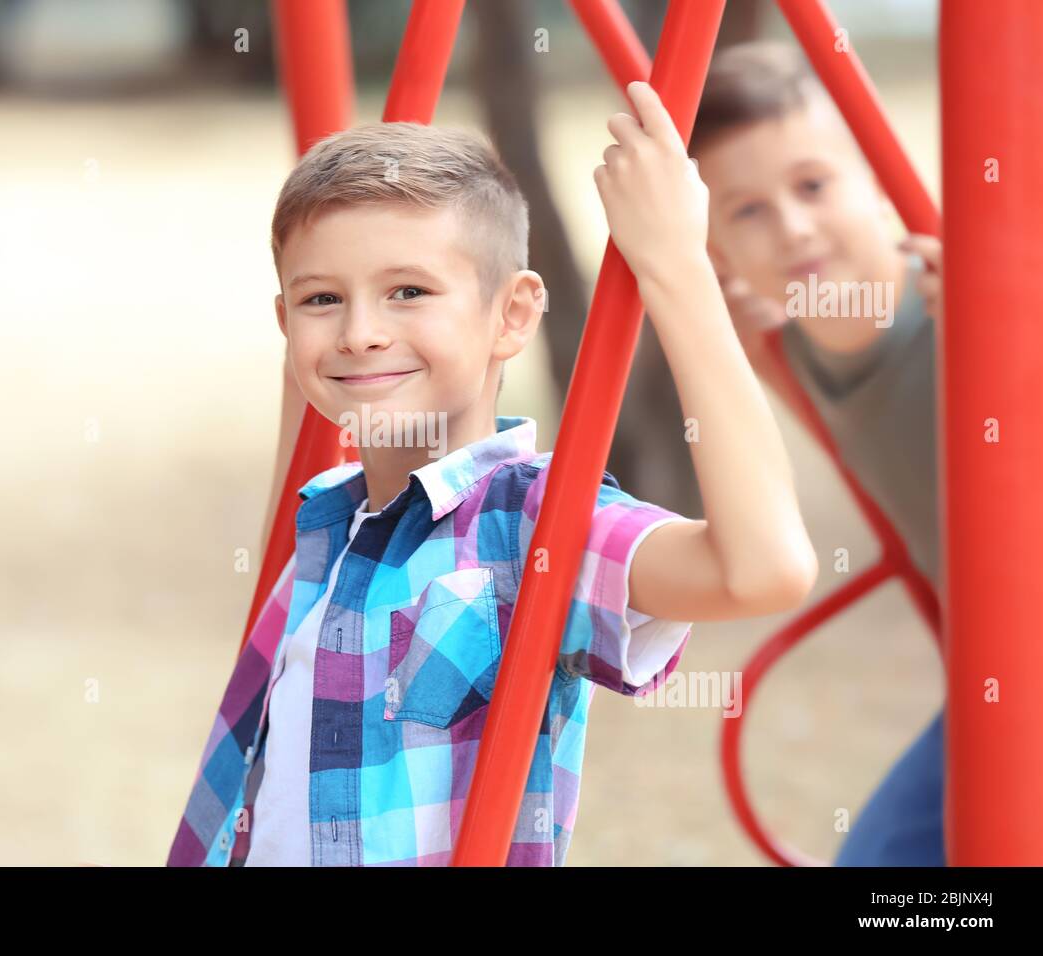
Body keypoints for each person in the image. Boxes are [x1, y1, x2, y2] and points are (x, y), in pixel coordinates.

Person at [167, 81, 818, 866]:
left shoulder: (531, 523)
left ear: (512, 315)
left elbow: (764, 572)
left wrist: (675, 265)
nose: (360, 332)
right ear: (285, 323)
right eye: (322, 299)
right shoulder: (323, 527)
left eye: (408, 292)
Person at [690, 41, 945, 866]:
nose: (793, 227)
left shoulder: (965, 295)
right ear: (719, 249)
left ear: (872, 178)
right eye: (747, 210)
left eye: (812, 185)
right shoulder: (778, 352)